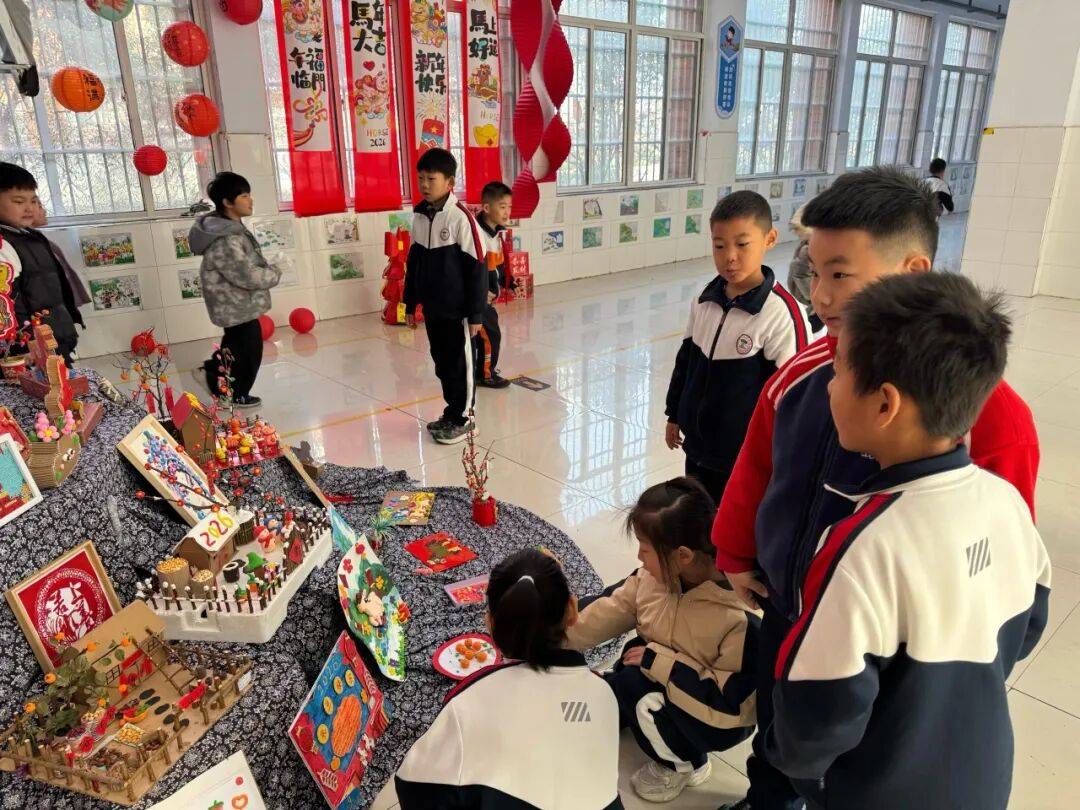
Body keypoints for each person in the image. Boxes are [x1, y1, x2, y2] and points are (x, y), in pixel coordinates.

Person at [711, 167, 1040, 810]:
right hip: (789, 605)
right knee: (781, 720)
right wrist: (736, 551)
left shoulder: (994, 416)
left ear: (912, 272)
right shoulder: (804, 373)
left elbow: (1002, 560)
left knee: (855, 752)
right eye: (815, 272)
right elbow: (758, 466)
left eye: (841, 274)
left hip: (895, 650)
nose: (821, 296)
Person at [766, 272, 1050, 809]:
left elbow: (820, 711)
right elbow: (1028, 624)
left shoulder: (863, 547)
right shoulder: (1007, 502)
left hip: (878, 790)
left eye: (839, 369)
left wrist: (803, 774)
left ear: (884, 405)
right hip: (982, 773)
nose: (828, 385)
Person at [566, 477, 756, 803]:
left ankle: (686, 764)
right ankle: (631, 703)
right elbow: (610, 608)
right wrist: (551, 634)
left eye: (645, 548)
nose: (639, 557)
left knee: (636, 687)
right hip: (659, 670)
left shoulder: (739, 615)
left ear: (682, 555)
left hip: (714, 715)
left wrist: (659, 663)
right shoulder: (656, 577)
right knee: (622, 675)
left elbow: (733, 708)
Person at [395, 549, 622, 809]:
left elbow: (412, 784)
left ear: (489, 623)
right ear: (572, 610)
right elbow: (563, 723)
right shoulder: (602, 693)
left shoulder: (469, 703)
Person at [665, 191, 809, 503]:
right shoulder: (704, 300)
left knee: (732, 523)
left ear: (770, 239)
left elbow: (794, 397)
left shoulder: (780, 313)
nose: (729, 256)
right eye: (719, 245)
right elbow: (686, 362)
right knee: (699, 517)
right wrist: (674, 413)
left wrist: (781, 459)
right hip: (698, 448)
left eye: (742, 244)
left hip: (743, 457)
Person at [404, 148, 488, 445]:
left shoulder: (460, 218)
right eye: (420, 178)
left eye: (431, 179)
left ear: (450, 182)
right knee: (442, 363)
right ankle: (453, 412)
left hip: (458, 312)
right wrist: (410, 302)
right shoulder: (419, 216)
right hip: (434, 309)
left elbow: (478, 267)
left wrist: (476, 313)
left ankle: (465, 420)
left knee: (460, 365)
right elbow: (414, 263)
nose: (424, 184)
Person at [189, 172, 281, 408]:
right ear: (227, 202)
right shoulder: (226, 238)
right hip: (234, 305)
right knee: (248, 351)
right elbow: (246, 275)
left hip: (238, 304)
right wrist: (275, 272)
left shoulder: (230, 229)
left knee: (236, 347)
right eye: (244, 196)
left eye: (249, 194)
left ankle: (212, 374)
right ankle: (232, 392)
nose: (250, 200)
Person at [0, 162, 85, 362]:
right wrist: (25, 345)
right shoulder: (4, 246)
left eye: (33, 200)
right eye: (19, 201)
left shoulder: (30, 236)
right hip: (28, 352)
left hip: (52, 342)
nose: (29, 208)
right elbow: (8, 305)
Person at [474, 180, 513, 389]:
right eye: (502, 206)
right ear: (487, 208)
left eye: (509, 206)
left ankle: (482, 369)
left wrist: (509, 281)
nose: (507, 212)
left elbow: (498, 263)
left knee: (485, 337)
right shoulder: (477, 235)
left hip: (487, 298)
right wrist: (482, 293)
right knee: (490, 336)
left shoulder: (496, 232)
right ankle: (486, 375)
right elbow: (475, 270)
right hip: (479, 299)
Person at [787, 205, 822, 333]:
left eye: (798, 229)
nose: (796, 233)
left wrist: (812, 298)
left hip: (811, 297)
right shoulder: (806, 244)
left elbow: (801, 275)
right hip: (809, 298)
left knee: (810, 325)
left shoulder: (808, 249)